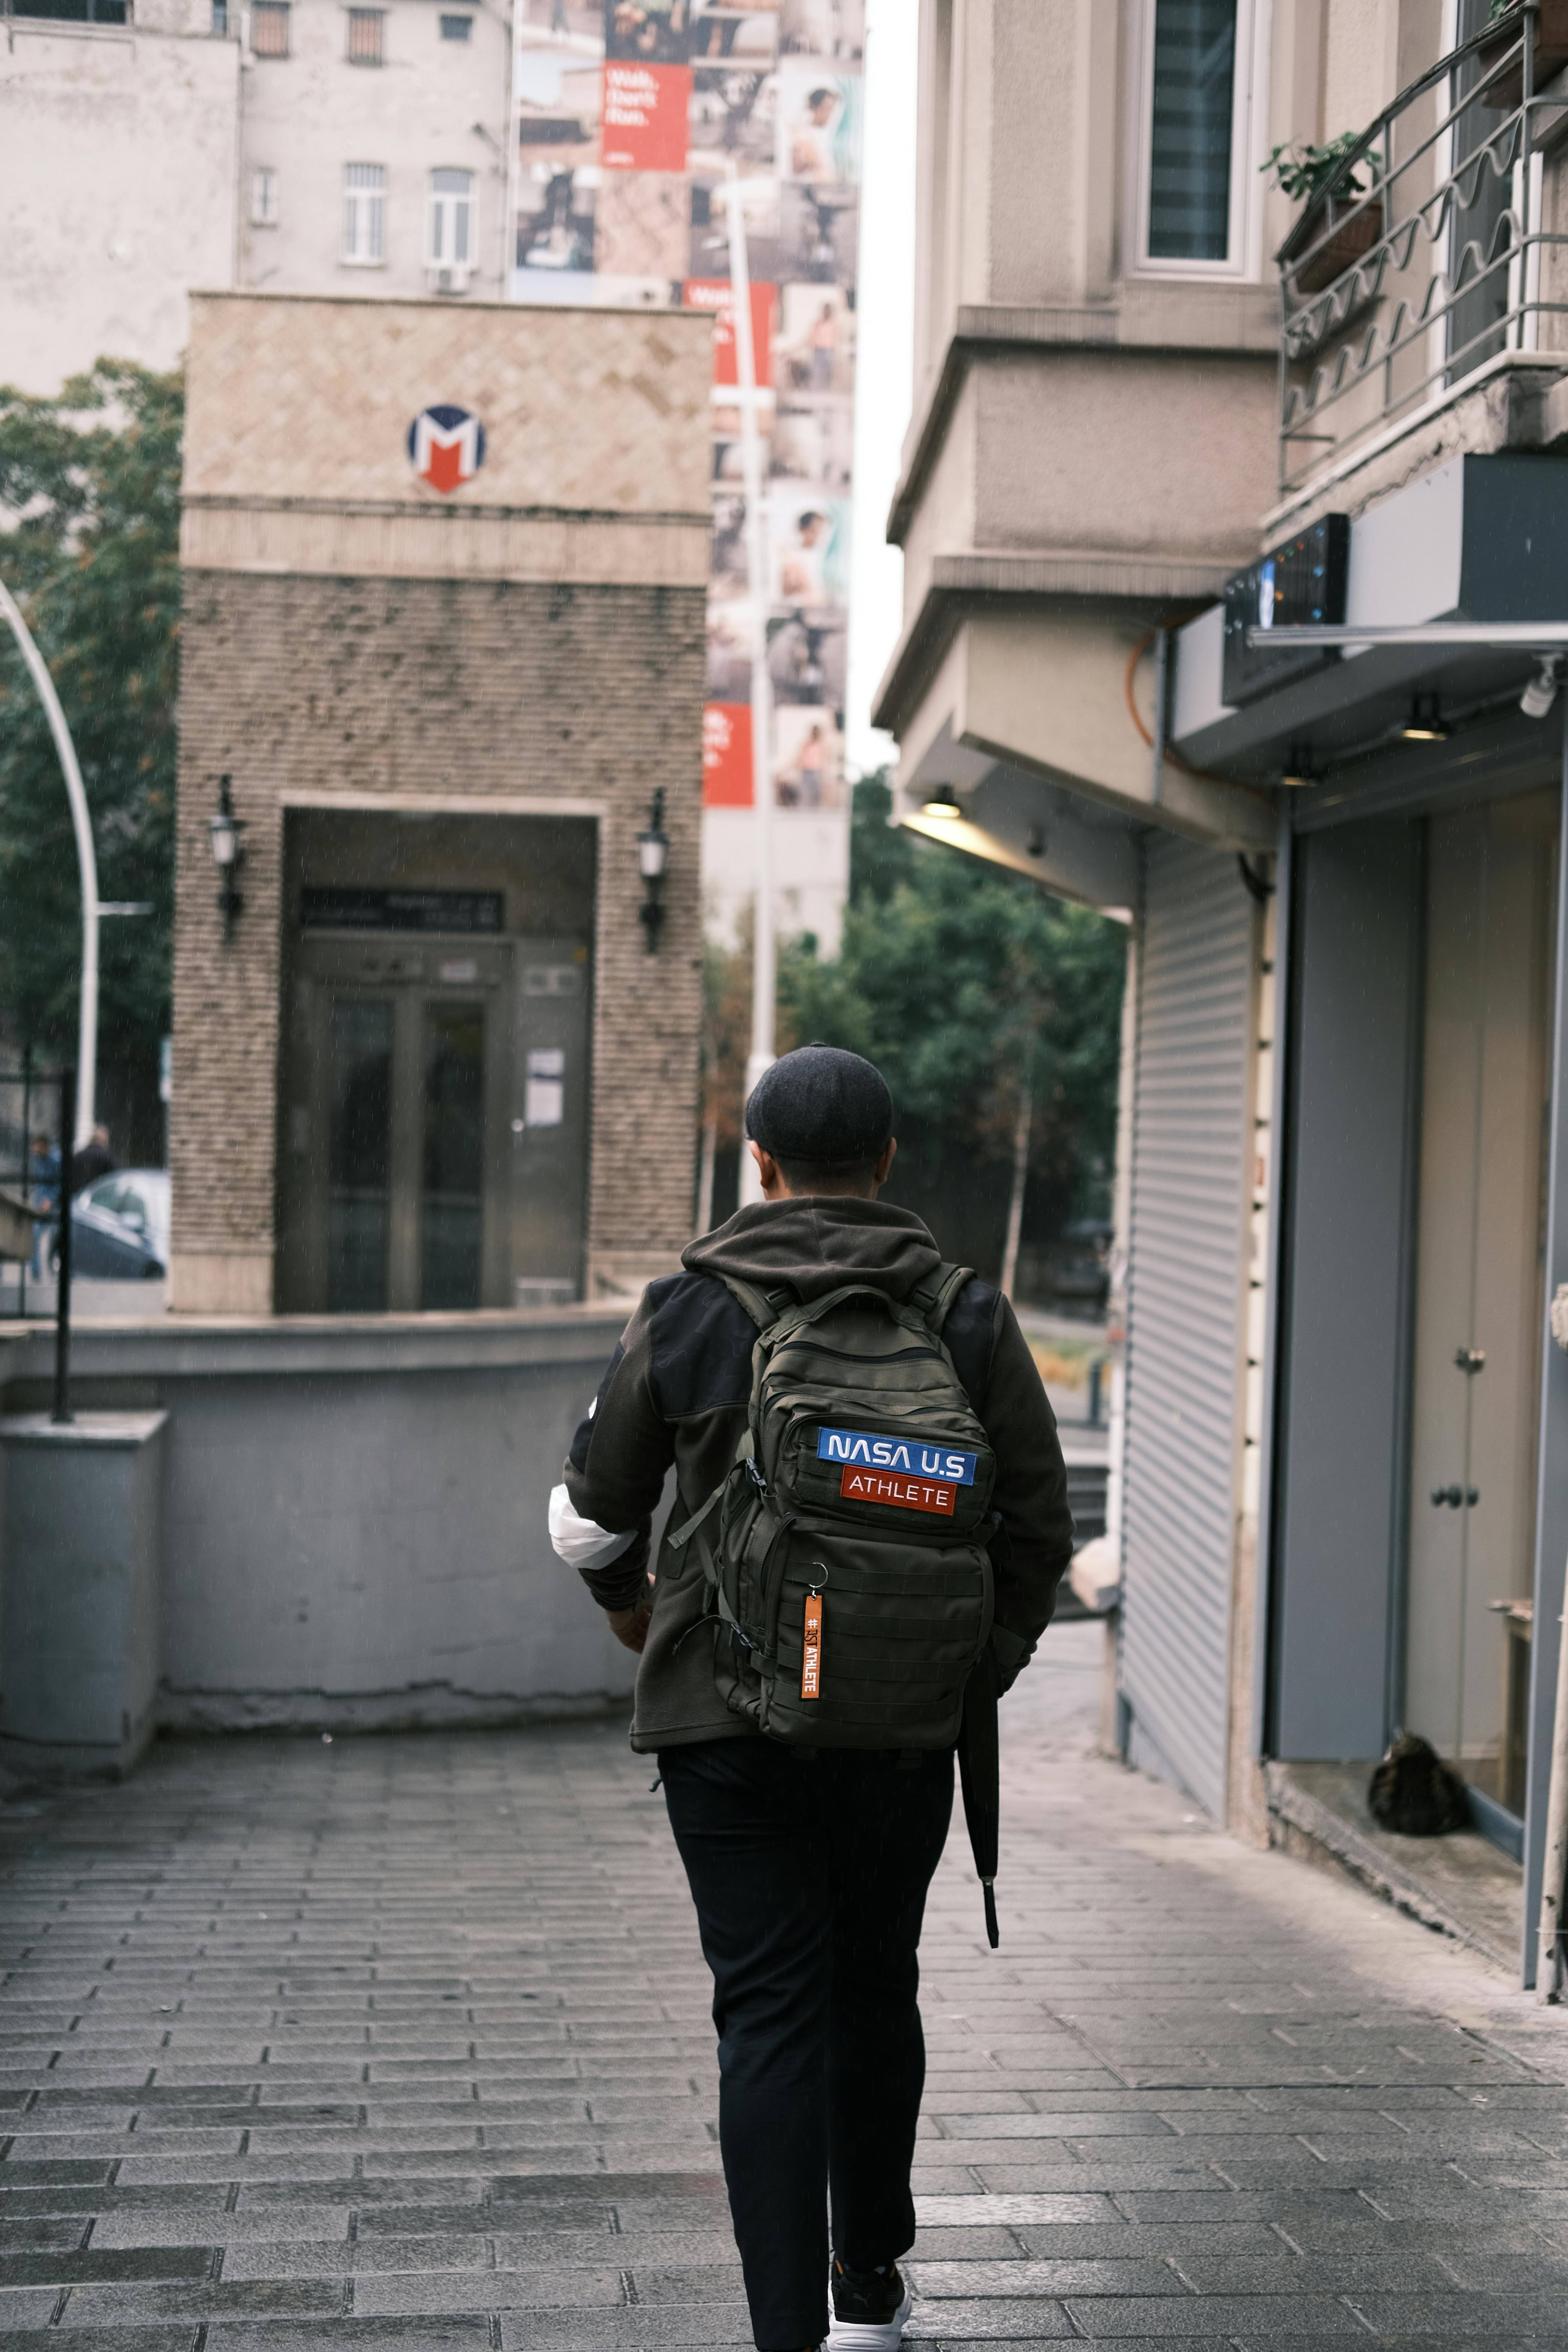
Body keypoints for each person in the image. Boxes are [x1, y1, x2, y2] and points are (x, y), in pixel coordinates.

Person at [550, 1046, 1073, 2352]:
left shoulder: (688, 1305)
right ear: (889, 1163)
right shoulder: (967, 1314)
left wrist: (635, 1618)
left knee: (769, 2006)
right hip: (901, 1733)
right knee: (872, 1985)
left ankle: (786, 2331)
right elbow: (1039, 1534)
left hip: (724, 1733)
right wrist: (958, 1669)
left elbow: (595, 1514)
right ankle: (870, 2290)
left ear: (761, 1165)